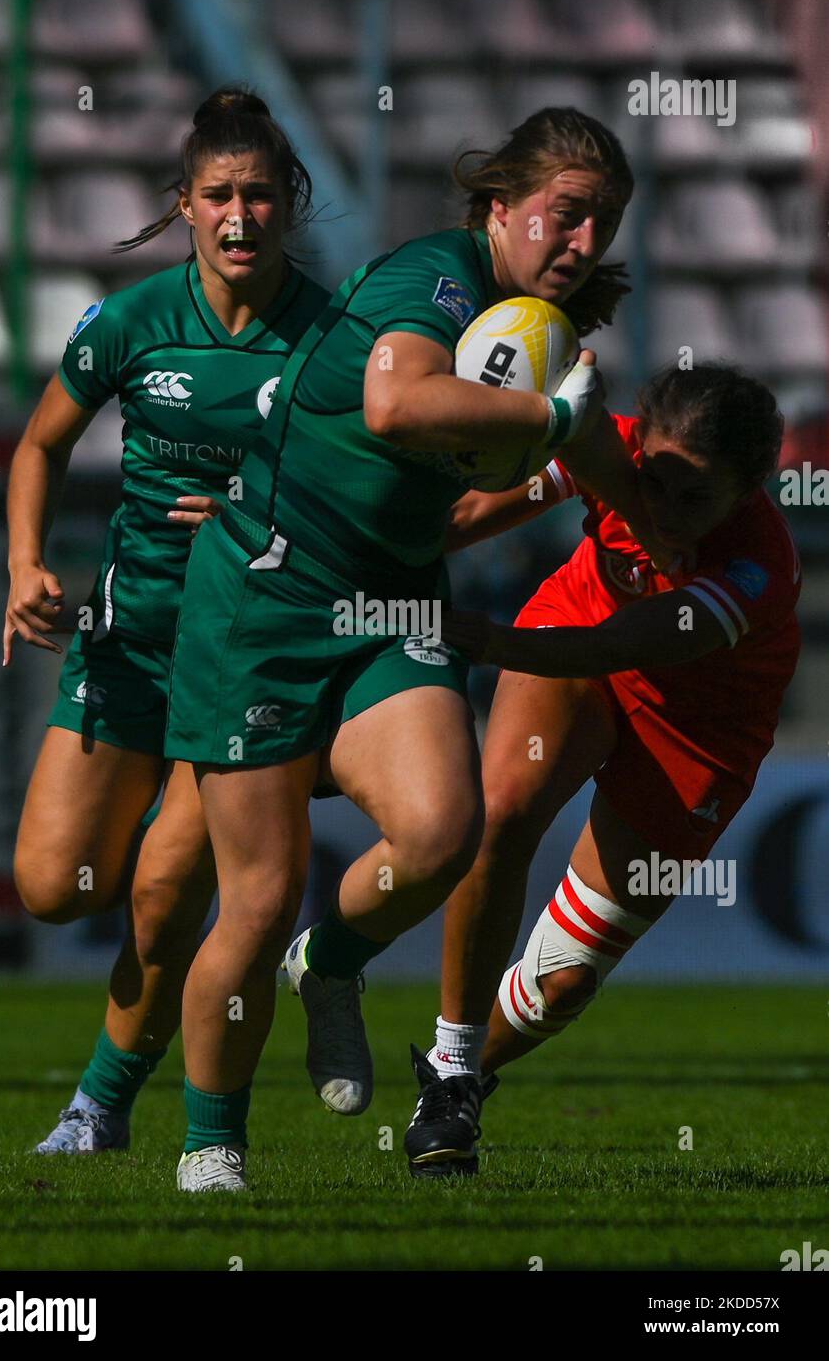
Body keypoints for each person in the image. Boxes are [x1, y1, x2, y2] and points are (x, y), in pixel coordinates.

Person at [163, 106, 668, 1192]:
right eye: (565, 214)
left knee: (443, 835)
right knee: (254, 896)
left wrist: (658, 509)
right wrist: (546, 423)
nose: (581, 243)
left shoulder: (538, 336)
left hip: (387, 599)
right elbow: (394, 407)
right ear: (498, 205)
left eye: (603, 223)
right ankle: (212, 1144)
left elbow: (555, 474)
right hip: (263, 597)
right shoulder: (434, 279)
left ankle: (330, 964)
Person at [4, 86, 330, 1154]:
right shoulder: (132, 321)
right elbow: (41, 444)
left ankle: (102, 1107)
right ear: (183, 205)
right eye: (218, 195)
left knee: (160, 889)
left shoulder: (333, 340)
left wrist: (262, 511)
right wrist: (24, 565)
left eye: (261, 195)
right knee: (56, 887)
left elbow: (387, 493)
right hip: (127, 641)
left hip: (243, 659)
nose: (240, 217)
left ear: (293, 203)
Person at [404, 363, 801, 1177]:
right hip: (580, 628)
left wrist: (487, 639)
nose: (665, 512)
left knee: (563, 982)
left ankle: (467, 1078)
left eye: (696, 500)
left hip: (698, 732)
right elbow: (473, 511)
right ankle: (448, 1074)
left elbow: (630, 644)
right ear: (639, 449)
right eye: (655, 485)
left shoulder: (759, 564)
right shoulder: (604, 451)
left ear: (754, 487)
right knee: (504, 811)